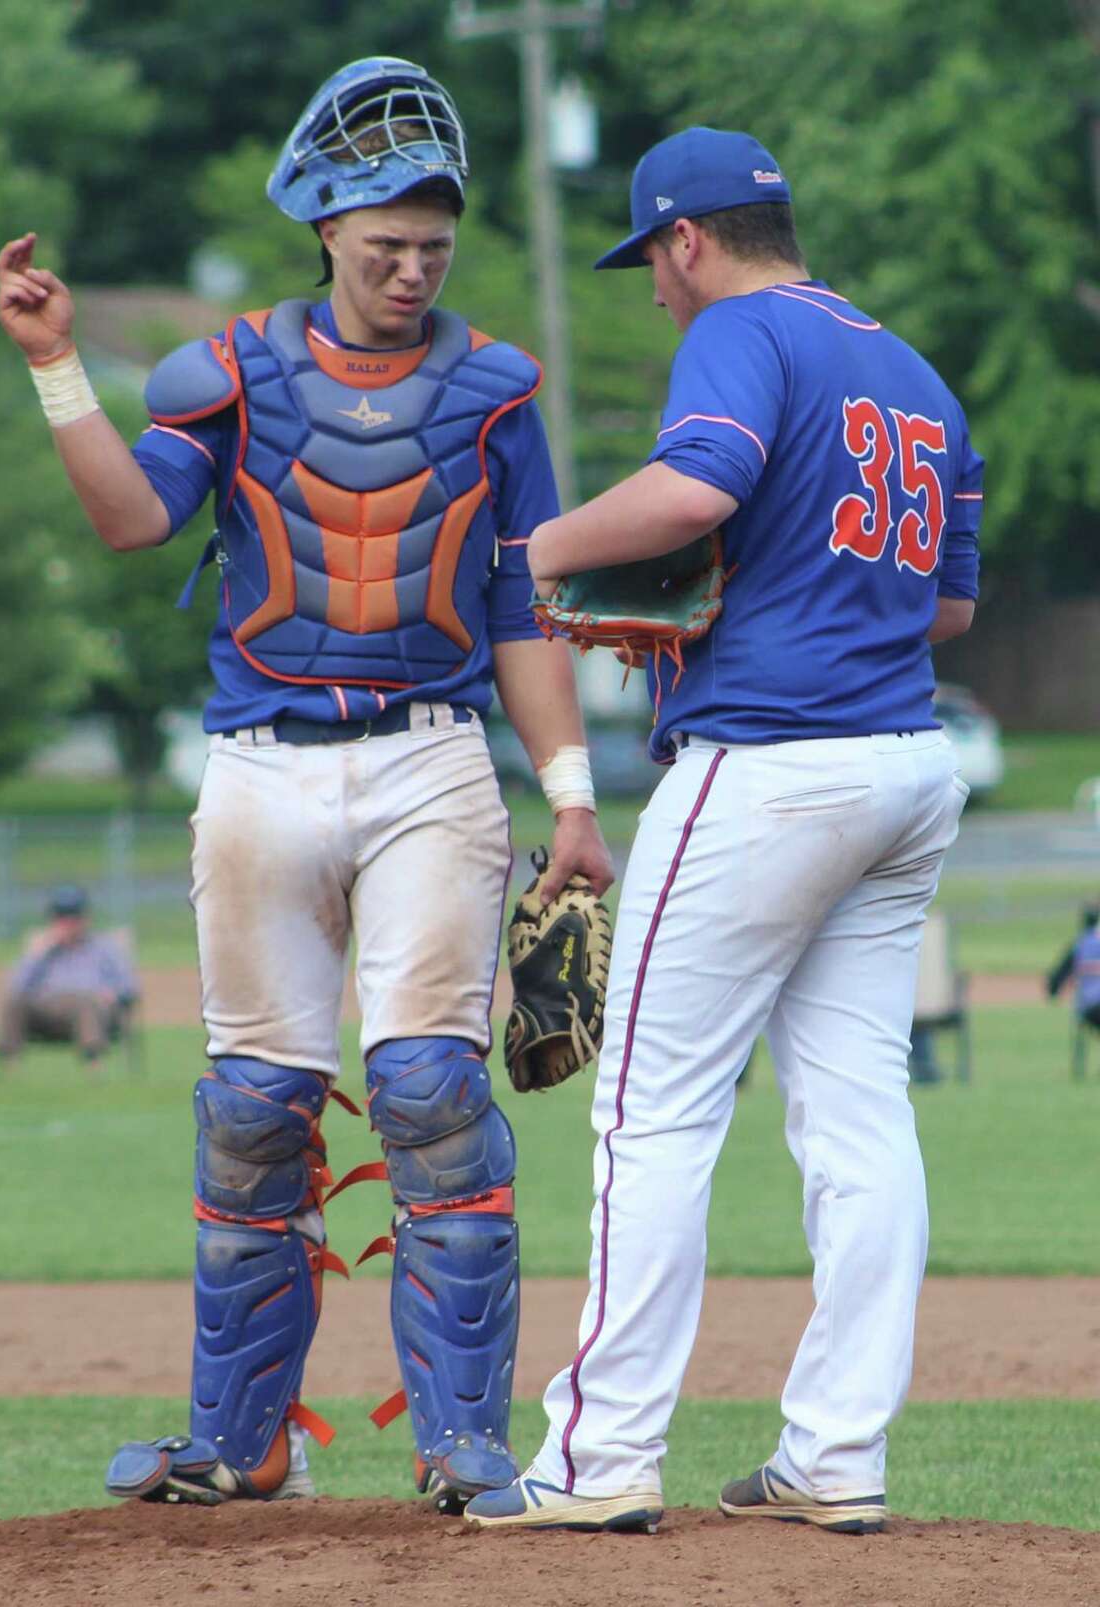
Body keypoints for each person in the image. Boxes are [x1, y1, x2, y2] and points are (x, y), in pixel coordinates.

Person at [0, 56, 611, 1513]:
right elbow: (134, 522)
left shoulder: (496, 390)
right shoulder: (224, 375)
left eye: (434, 246)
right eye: (386, 242)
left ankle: (462, 1443)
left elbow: (521, 606)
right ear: (324, 227)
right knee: (255, 1106)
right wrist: (57, 366)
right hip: (261, 765)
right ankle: (241, 1441)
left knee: (430, 1089)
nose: (412, 268)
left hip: (431, 754)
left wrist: (574, 794)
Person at [466, 125, 982, 1535]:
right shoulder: (916, 373)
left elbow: (697, 488)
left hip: (768, 765)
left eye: (653, 258)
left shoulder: (740, 330)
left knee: (652, 1109)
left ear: (689, 238)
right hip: (907, 769)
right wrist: (787, 584)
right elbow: (946, 606)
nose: (654, 288)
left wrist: (537, 552)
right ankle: (837, 1451)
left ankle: (599, 1456)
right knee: (861, 1114)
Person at [0, 884, 139, 1067]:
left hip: (93, 1008)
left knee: (85, 1003)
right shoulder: (42, 950)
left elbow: (129, 987)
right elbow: (16, 987)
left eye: (74, 916)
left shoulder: (105, 948)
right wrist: (37, 954)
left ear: (86, 917)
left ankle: (94, 1066)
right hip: (49, 1010)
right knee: (15, 1003)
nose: (68, 923)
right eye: (62, 916)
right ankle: (9, 1068)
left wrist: (114, 995)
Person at [1047, 906, 1100, 1075]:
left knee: (1084, 1023)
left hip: (1087, 1007)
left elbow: (1058, 976)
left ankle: (1079, 1069)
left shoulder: (1079, 945)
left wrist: (1053, 991)